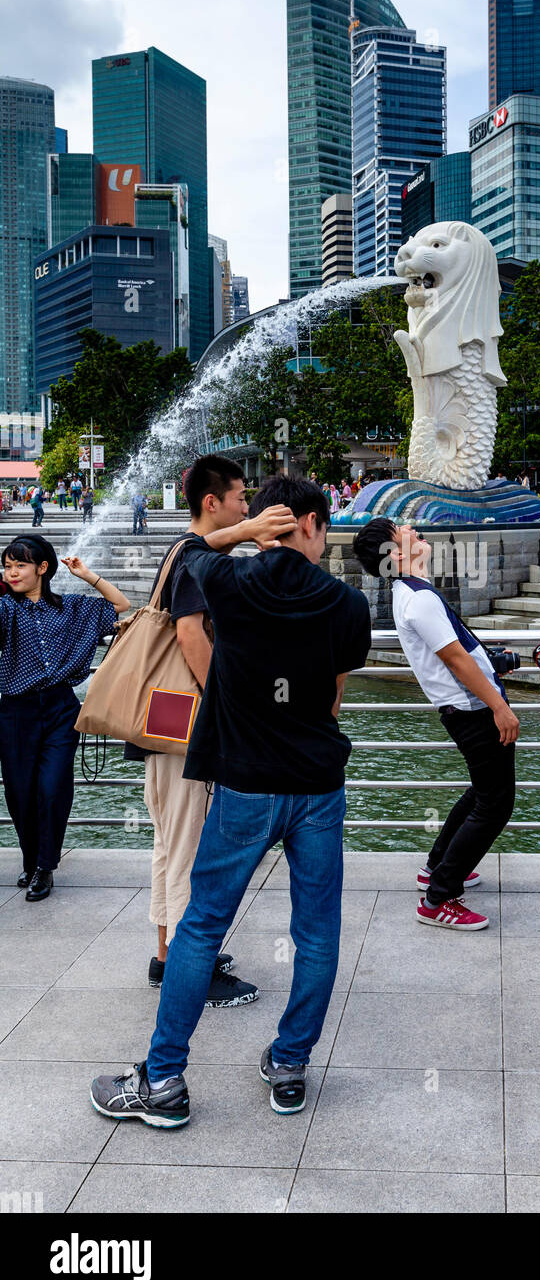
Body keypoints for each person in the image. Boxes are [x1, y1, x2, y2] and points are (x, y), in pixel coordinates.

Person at [90, 476, 371, 1129]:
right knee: (317, 932)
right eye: (325, 529)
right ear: (308, 523)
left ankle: (161, 1083)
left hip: (246, 784)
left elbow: (184, 556)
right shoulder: (348, 605)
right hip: (318, 788)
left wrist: (243, 532)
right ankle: (290, 1063)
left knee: (202, 926)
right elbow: (332, 698)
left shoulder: (230, 582)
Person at [124, 455, 295, 1009]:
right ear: (212, 502)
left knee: (170, 844)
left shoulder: (186, 553)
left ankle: (168, 956)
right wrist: (233, 704)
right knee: (190, 848)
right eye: (242, 498)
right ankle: (188, 971)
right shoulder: (194, 559)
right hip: (186, 724)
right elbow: (193, 637)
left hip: (164, 723)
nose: (247, 506)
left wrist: (243, 534)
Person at [353, 518, 519, 931]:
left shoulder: (412, 592)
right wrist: (499, 706)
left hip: (464, 708)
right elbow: (456, 660)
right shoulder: (418, 599)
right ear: (395, 555)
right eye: (402, 531)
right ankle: (440, 897)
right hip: (473, 710)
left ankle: (436, 869)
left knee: (484, 792)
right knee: (496, 803)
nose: (413, 529)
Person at [0, 535, 131, 900]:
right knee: (20, 792)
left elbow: (120, 604)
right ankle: (31, 861)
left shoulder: (72, 607)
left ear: (42, 568)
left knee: (53, 788)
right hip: (15, 711)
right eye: (7, 566)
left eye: (20, 565)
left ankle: (45, 867)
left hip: (60, 709)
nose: (12, 573)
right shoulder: (5, 609)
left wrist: (87, 574)